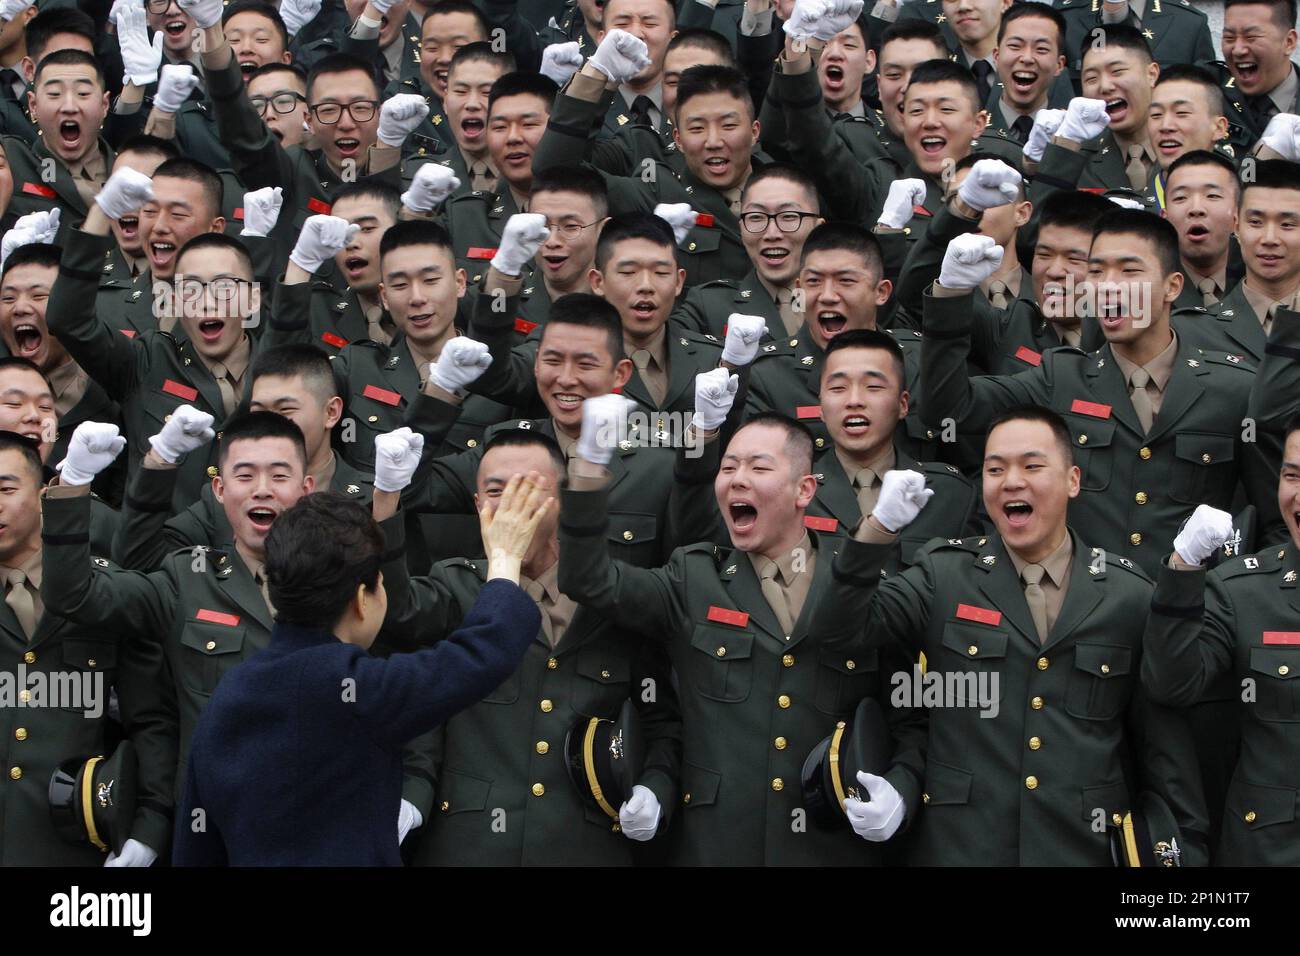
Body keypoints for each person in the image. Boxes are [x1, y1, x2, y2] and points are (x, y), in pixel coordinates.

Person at [558, 401, 930, 865]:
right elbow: (588, 580)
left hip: (829, 847)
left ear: (804, 489)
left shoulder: (859, 579)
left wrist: (903, 788)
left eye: (758, 467)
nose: (736, 478)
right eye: (728, 466)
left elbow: (910, 719)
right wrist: (589, 467)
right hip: (714, 846)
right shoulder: (692, 578)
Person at [849, 405, 1211, 864]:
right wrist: (875, 533)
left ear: (1073, 481)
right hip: (961, 848)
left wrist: (1185, 849)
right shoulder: (944, 574)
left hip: (1080, 849)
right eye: (995, 469)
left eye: (1032, 466)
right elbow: (847, 629)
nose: (1012, 481)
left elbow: (1162, 750)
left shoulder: (1128, 594)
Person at [172, 474, 547, 865]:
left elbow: (195, 847)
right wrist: (504, 558)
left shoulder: (231, 690)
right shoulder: (356, 689)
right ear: (362, 599)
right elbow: (481, 653)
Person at [1140, 415, 1300, 865]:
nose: (1298, 496)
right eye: (1291, 476)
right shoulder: (1244, 590)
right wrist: (1184, 566)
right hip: (1272, 849)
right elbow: (1171, 684)